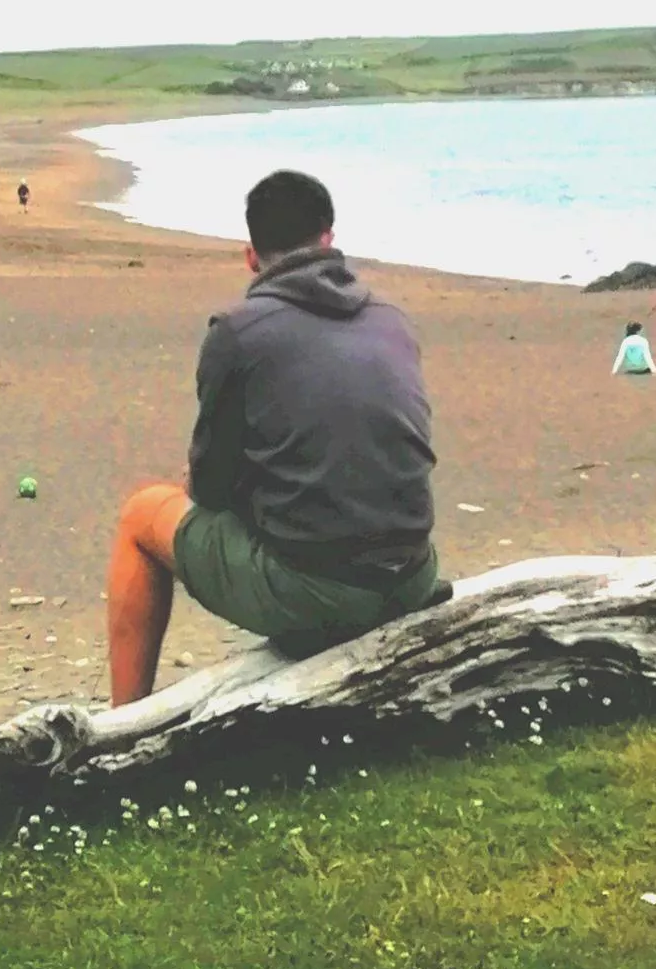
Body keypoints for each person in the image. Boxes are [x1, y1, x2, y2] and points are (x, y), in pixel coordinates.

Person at [103, 169, 445, 703]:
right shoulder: (392, 318)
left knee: (141, 514)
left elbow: (211, 489)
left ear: (250, 256)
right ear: (329, 239)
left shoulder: (238, 333)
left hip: (319, 592)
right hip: (413, 575)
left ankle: (120, 725)